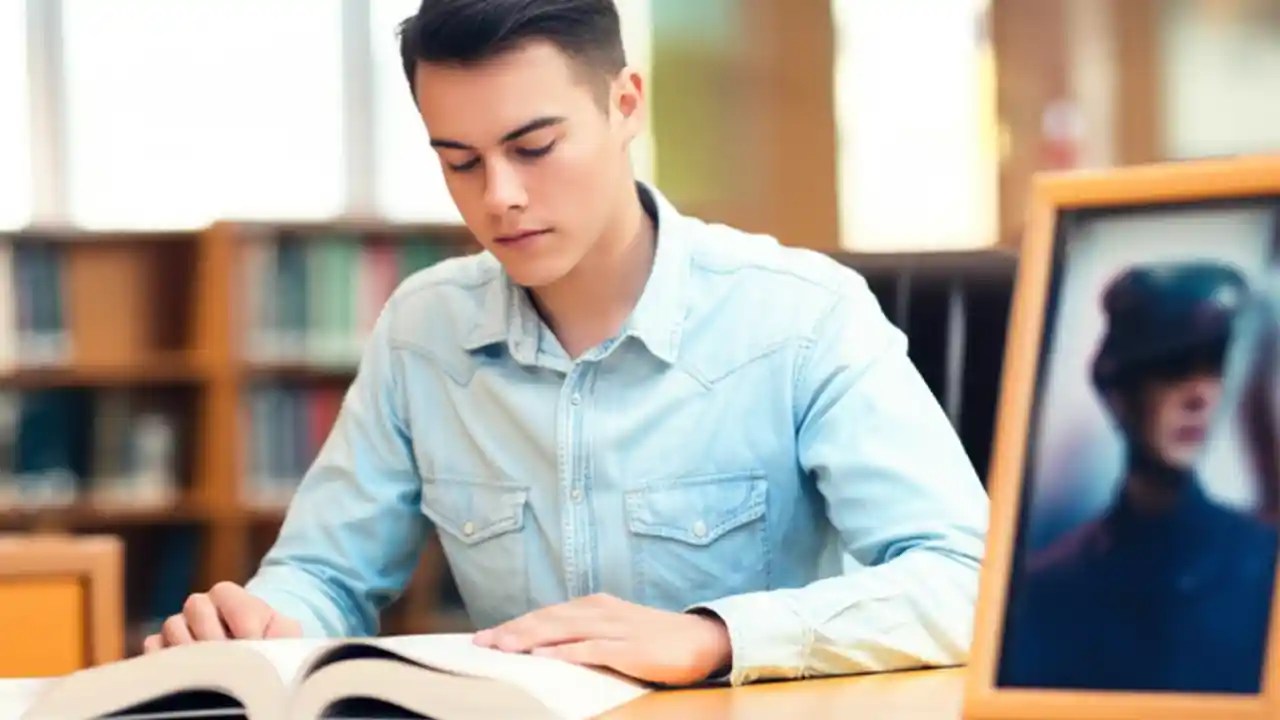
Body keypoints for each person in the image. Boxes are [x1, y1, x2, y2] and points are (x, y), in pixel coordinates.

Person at [144, 0, 989, 687]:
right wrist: (259, 625)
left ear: (625, 104)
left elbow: (966, 578)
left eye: (533, 147)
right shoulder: (422, 332)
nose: (500, 197)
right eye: (459, 162)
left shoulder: (802, 318)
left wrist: (716, 636)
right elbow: (324, 576)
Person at [999, 261, 1280, 694]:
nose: (1199, 394)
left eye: (1213, 366)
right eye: (1172, 367)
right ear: (1118, 393)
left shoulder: (1263, 564)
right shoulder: (1049, 588)